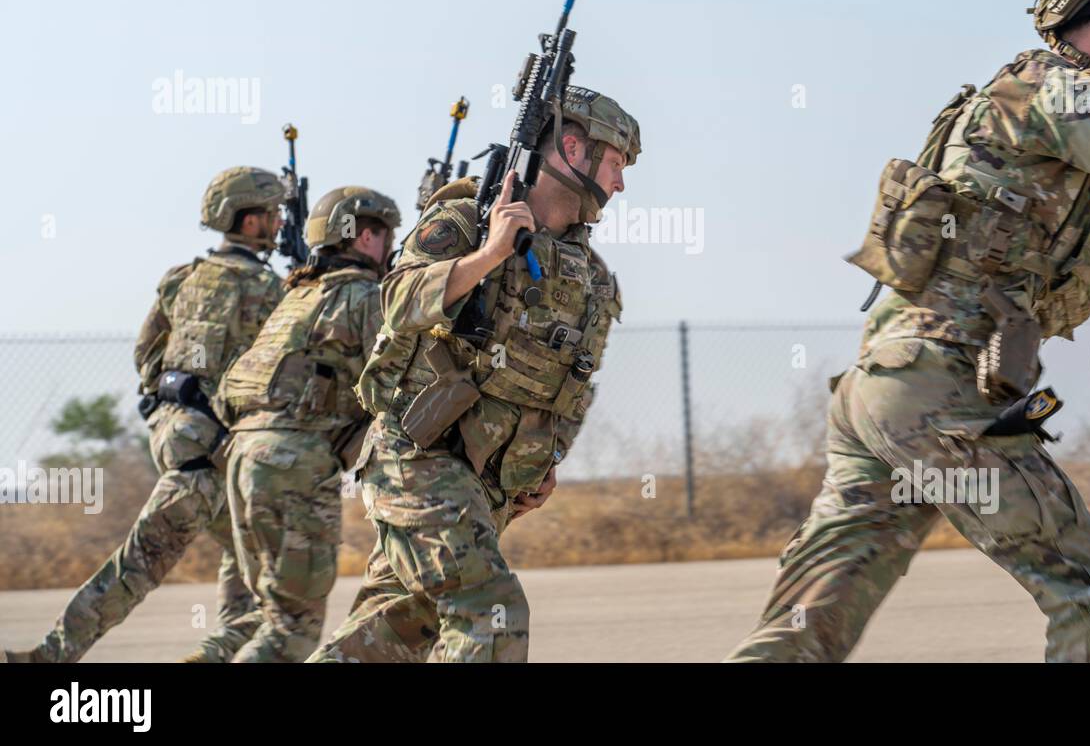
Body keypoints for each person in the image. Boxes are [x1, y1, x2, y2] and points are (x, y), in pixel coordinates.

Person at [725, 0, 1090, 663]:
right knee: (1089, 591)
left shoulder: (1085, 162)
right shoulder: (1045, 87)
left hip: (891, 394)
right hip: (943, 388)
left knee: (806, 629)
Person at [309, 86, 640, 663]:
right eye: (616, 162)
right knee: (493, 613)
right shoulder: (467, 220)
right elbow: (398, 300)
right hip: (419, 461)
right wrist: (488, 255)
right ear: (571, 147)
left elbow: (569, 383)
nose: (620, 183)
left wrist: (549, 460)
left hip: (489, 483)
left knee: (390, 635)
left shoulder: (591, 275)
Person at [4, 167, 286, 663]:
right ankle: (47, 659)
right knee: (138, 567)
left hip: (181, 440)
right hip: (215, 456)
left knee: (251, 569)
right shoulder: (267, 289)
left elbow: (147, 355)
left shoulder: (182, 278)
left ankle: (222, 654)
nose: (280, 221)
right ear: (249, 220)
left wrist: (174, 406)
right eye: (272, 214)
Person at [213, 186, 401, 663]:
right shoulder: (363, 295)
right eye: (386, 234)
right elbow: (397, 383)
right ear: (362, 237)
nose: (392, 246)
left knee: (269, 618)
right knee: (293, 631)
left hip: (241, 455)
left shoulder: (297, 294)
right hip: (294, 463)